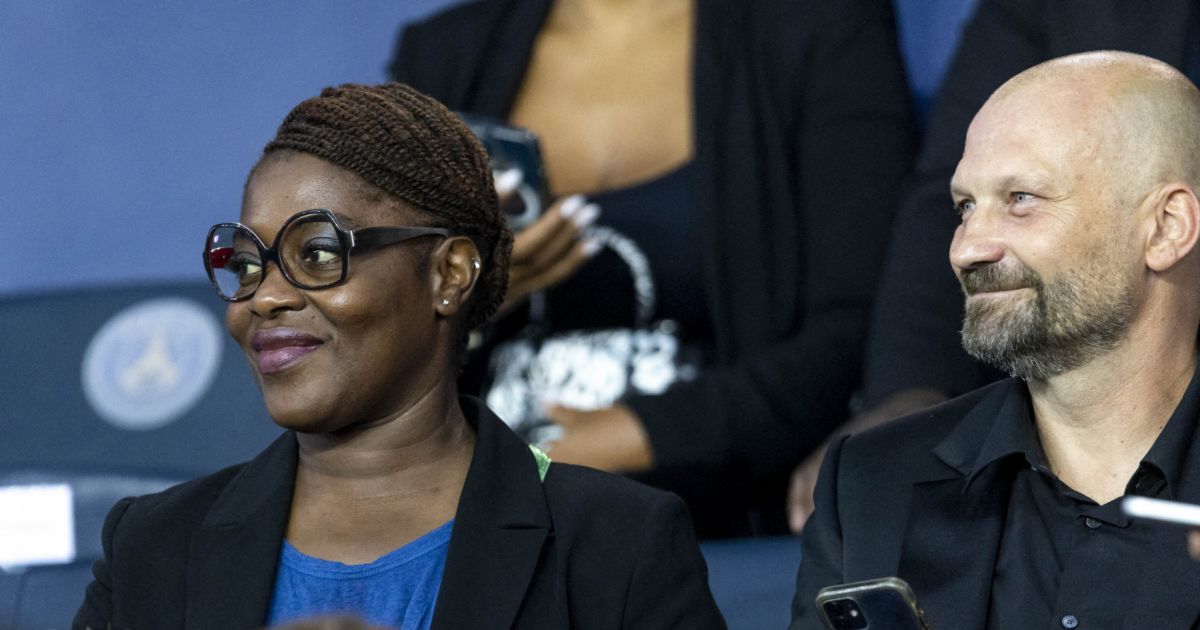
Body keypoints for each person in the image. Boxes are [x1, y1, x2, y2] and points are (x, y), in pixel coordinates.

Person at [73, 82, 724, 630]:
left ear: (448, 274)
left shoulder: (617, 545)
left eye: (319, 255)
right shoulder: (153, 546)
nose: (263, 298)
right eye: (243, 264)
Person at [390, 0, 916, 537]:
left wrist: (615, 442)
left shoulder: (819, 26)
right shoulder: (444, 54)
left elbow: (865, 322)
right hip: (480, 520)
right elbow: (383, 333)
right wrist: (475, 302)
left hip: (726, 518)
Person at [791, 51, 1200, 628]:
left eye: (1021, 200)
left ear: (1165, 227)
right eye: (965, 208)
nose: (967, 250)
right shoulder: (870, 484)